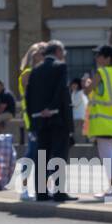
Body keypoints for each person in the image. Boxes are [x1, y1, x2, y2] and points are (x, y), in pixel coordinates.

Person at [24, 40, 75, 200]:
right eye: (63, 52)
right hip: (58, 118)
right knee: (59, 155)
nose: (64, 55)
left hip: (40, 120)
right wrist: (51, 108)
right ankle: (59, 192)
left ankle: (41, 192)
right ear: (58, 51)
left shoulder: (35, 70)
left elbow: (28, 97)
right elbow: (62, 91)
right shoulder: (61, 67)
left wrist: (36, 115)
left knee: (42, 156)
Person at [88, 44, 112, 199]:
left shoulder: (101, 72)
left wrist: (86, 84)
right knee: (111, 155)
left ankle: (111, 190)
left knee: (107, 155)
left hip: (104, 121)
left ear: (107, 58)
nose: (96, 58)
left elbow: (87, 90)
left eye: (99, 55)